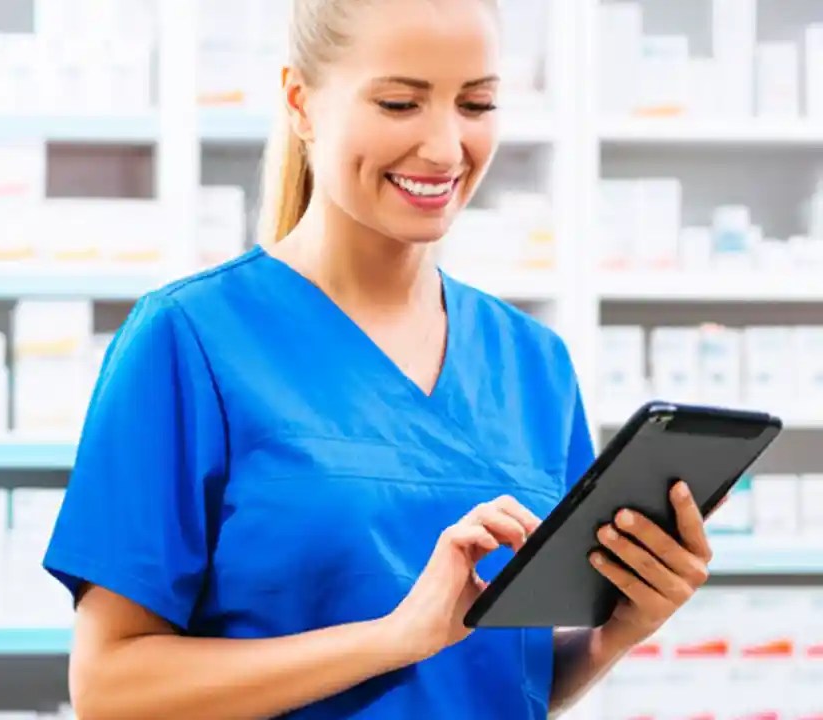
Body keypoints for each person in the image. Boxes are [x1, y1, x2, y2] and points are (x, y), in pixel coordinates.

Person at [42, 0, 717, 717]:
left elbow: (504, 678)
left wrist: (614, 635)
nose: (445, 147)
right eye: (400, 102)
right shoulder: (189, 340)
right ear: (301, 103)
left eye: (477, 103)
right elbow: (110, 688)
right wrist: (394, 638)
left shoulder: (532, 364)